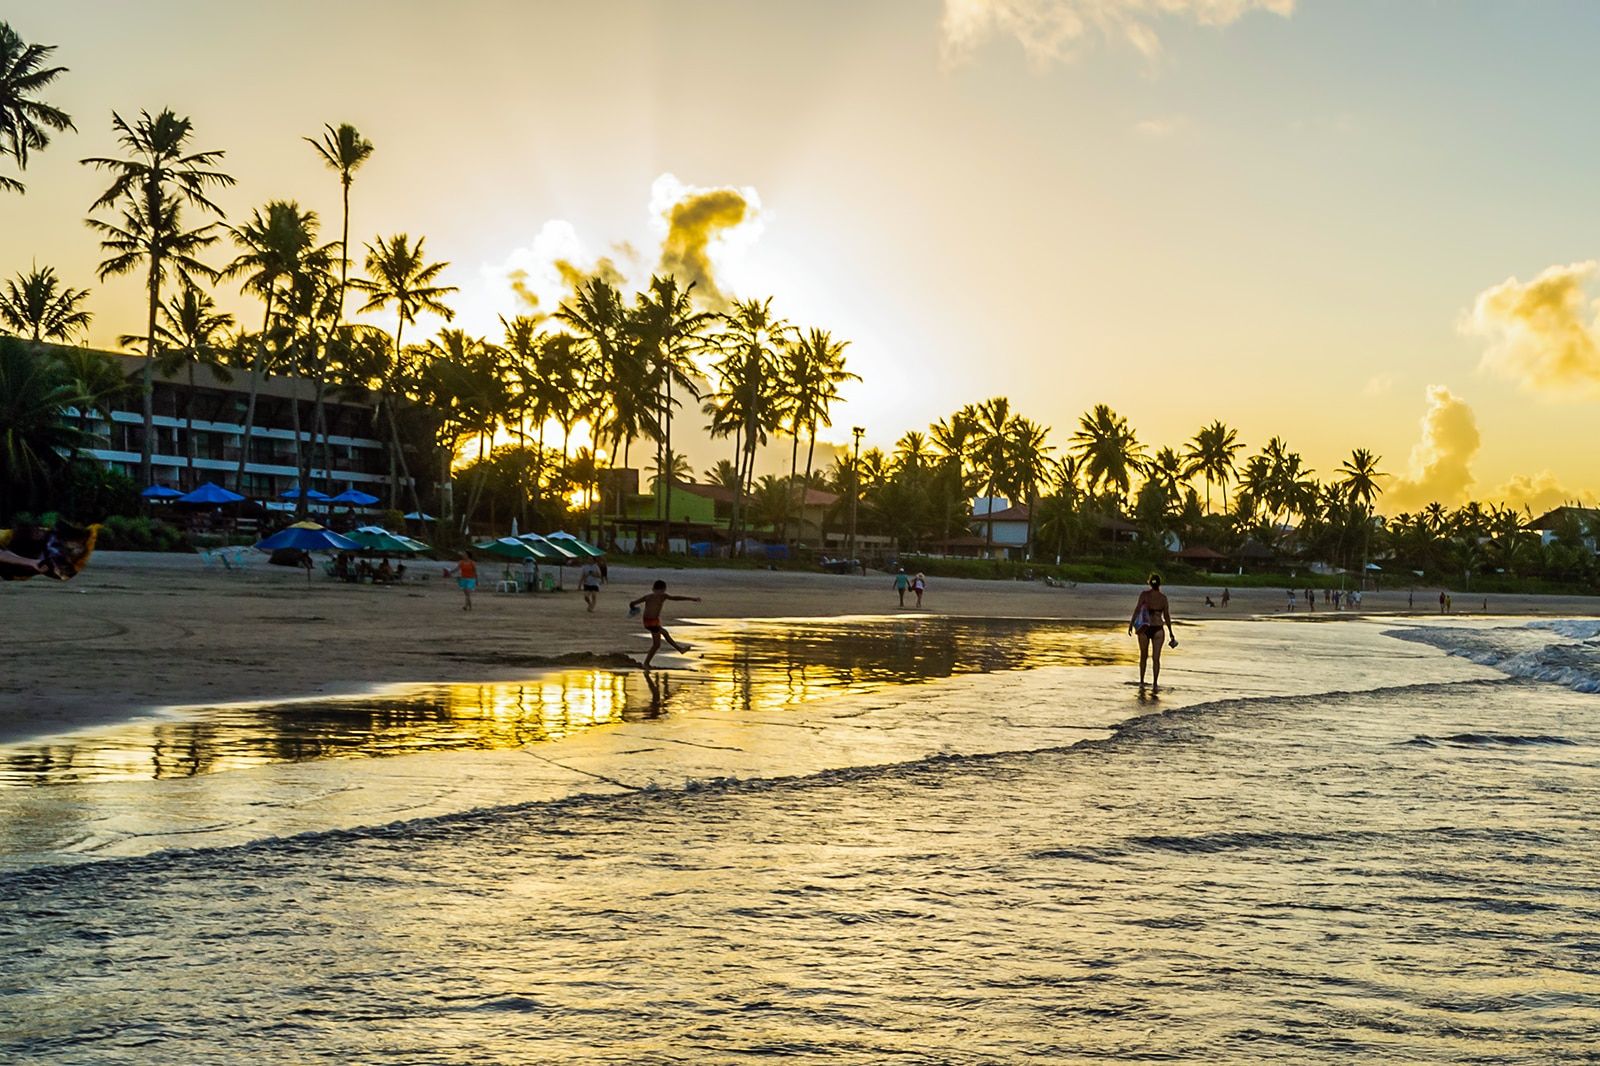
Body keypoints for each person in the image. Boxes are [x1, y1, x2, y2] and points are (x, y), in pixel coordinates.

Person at [629, 579, 702, 668]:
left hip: (653, 621)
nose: (659, 594)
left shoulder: (658, 596)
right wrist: (633, 609)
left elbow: (676, 598)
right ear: (654, 590)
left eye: (661, 591)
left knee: (664, 634)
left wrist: (691, 599)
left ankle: (680, 649)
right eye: (658, 591)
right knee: (656, 645)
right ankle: (646, 663)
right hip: (650, 622)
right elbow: (632, 603)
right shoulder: (652, 597)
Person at [1128, 573, 1175, 692]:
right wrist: (1171, 633)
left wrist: (1131, 624)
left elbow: (1137, 609)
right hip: (1158, 628)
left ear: (1149, 582)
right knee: (1156, 658)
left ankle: (1142, 681)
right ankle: (1154, 683)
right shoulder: (1163, 598)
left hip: (1144, 628)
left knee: (1143, 656)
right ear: (1159, 584)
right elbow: (1167, 616)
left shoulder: (1144, 595)